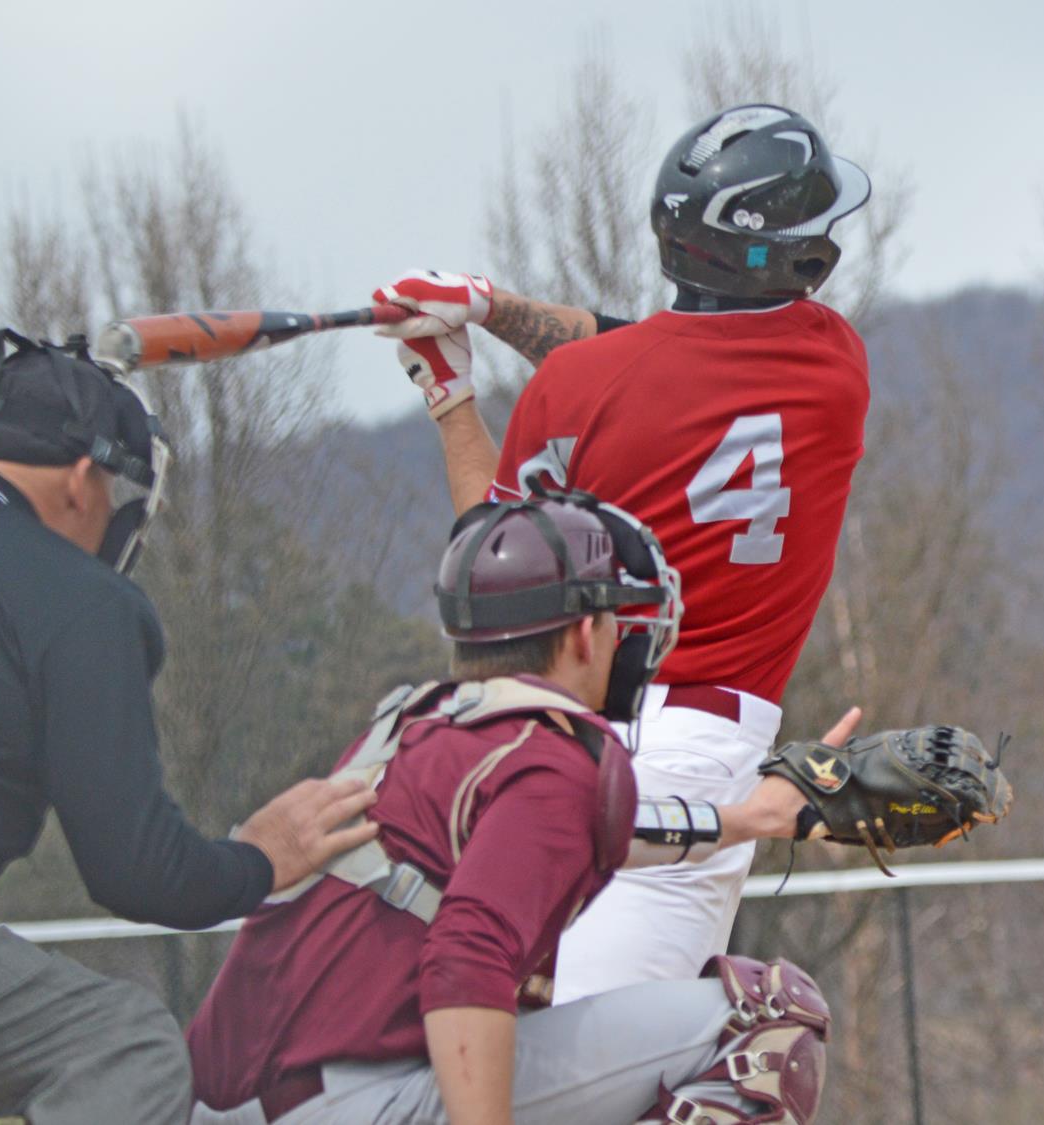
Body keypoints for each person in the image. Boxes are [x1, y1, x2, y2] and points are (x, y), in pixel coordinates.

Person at [0, 330, 380, 1124]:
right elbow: (134, 870)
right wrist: (257, 861)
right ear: (82, 480)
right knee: (124, 1046)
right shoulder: (79, 595)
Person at [371, 102, 873, 1004]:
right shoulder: (834, 362)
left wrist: (449, 387)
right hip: (705, 758)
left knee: (522, 1048)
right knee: (589, 1068)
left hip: (556, 740)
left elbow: (490, 573)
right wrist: (496, 309)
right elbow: (669, 350)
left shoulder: (575, 388)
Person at [187, 493, 842, 1124]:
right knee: (768, 1016)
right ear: (585, 633)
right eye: (618, 620)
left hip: (223, 1098)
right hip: (352, 1102)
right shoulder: (554, 755)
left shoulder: (418, 729)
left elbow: (593, 831)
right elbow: (466, 956)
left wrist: (752, 818)